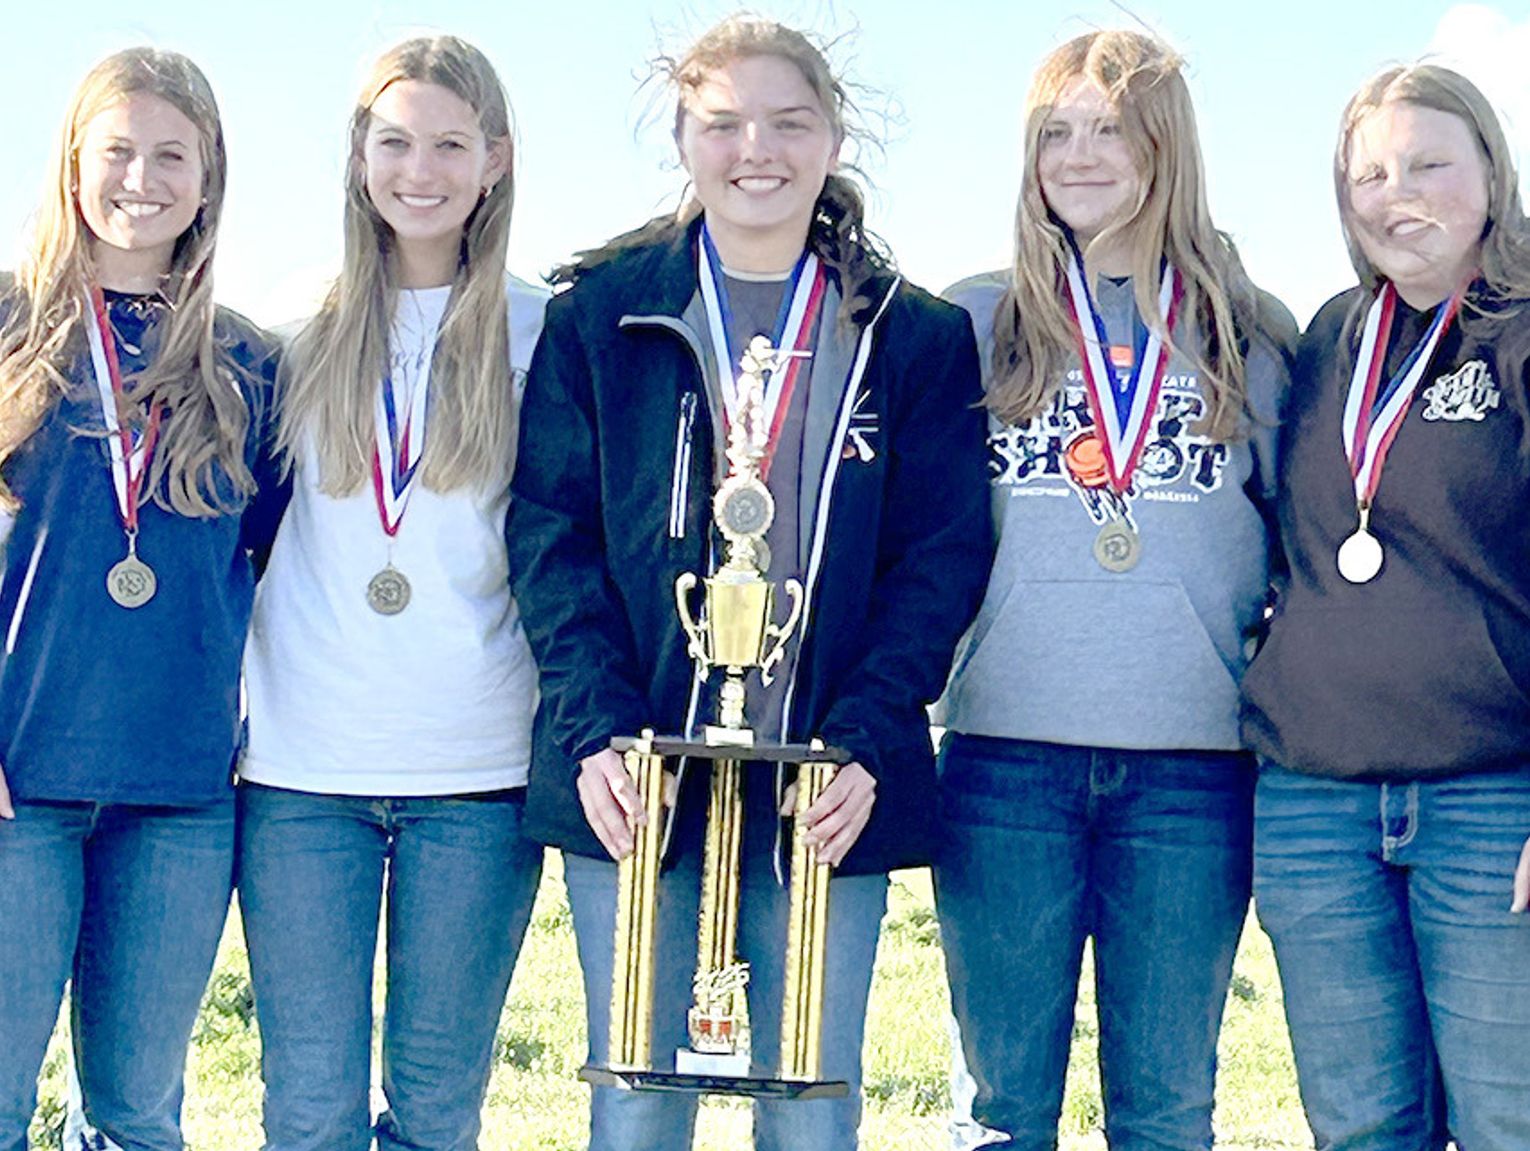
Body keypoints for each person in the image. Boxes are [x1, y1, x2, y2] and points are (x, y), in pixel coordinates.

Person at [505, 15, 990, 1151]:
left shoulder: (910, 336)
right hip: (636, 779)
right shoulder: (600, 316)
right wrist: (597, 732)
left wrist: (868, 740)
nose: (755, 150)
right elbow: (549, 535)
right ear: (683, 138)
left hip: (827, 783)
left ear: (834, 140)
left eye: (789, 122)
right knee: (636, 1111)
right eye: (723, 123)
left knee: (812, 1111)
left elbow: (941, 556)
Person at [934, 30, 1294, 1151]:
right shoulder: (972, 321)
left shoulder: (1249, 329)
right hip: (1003, 761)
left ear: (1165, 144)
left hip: (1192, 772)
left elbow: (1305, 551)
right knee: (1000, 1112)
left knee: (1168, 1109)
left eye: (1110, 127)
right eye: (1056, 132)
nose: (1080, 155)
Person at [235, 35, 547, 1151]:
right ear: (359, 155)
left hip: (476, 774)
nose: (422, 170)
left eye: (451, 143)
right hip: (300, 773)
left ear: (495, 159)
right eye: (397, 140)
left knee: (435, 1112)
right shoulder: (289, 321)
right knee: (308, 1113)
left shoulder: (540, 329)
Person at [1241, 63, 1530, 1151]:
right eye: (1368, 172)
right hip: (1317, 805)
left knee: (1509, 1115)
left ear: (1492, 178)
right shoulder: (1328, 338)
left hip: (1492, 801)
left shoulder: (1521, 329)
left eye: (1427, 164)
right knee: (1361, 1124)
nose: (1394, 192)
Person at [0, 47, 279, 1151]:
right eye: (117, 150)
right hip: (19, 784)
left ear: (210, 178)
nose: (142, 179)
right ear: (72, 165)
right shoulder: (10, 325)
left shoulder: (252, 363)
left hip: (179, 797)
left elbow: (269, 567)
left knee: (135, 1115)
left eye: (174, 155)